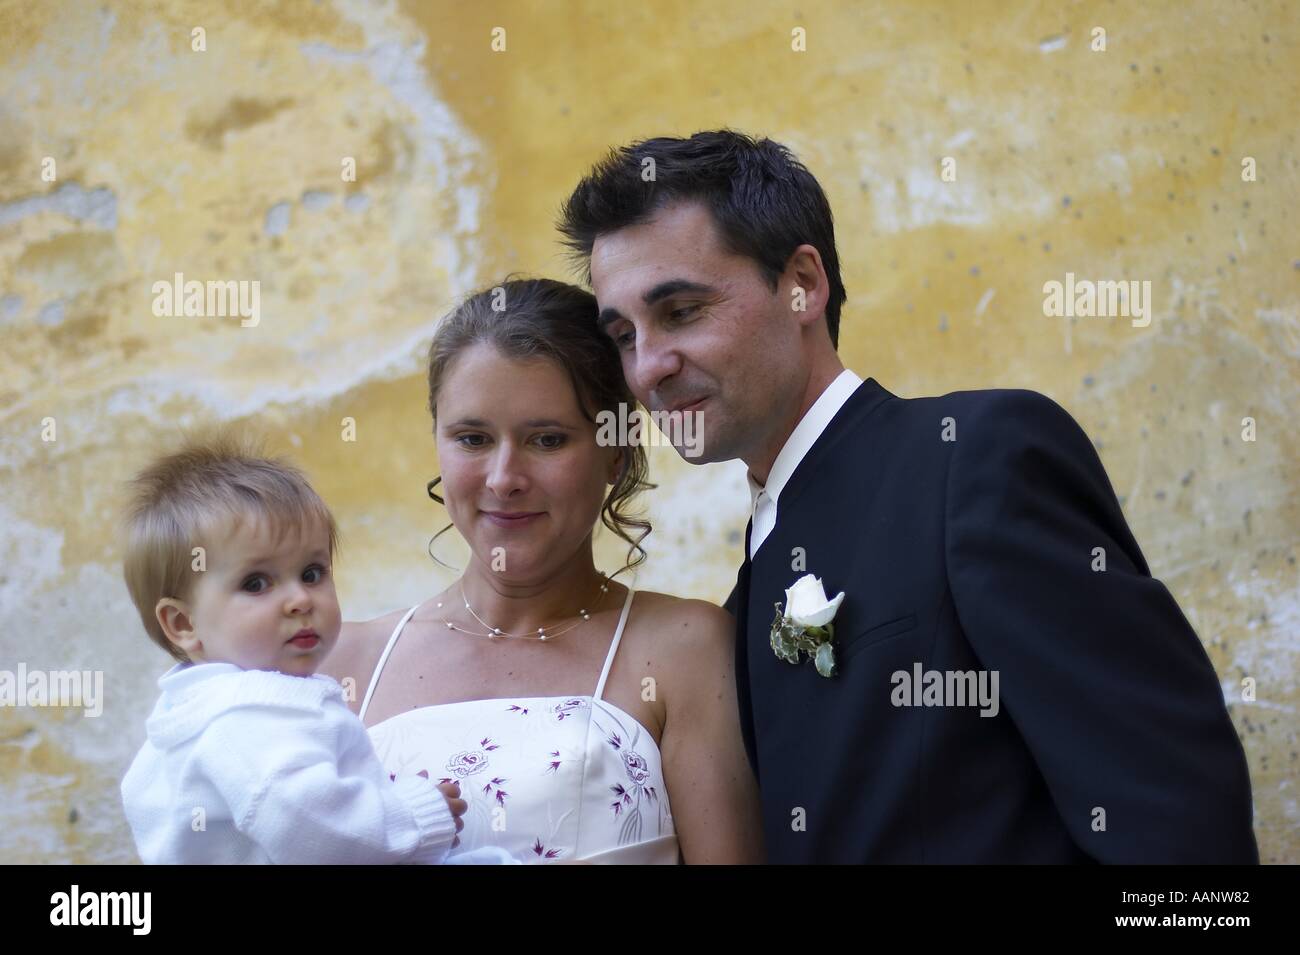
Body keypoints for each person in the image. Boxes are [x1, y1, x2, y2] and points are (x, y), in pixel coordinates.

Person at [558, 129, 1259, 863]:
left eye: (680, 312)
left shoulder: (976, 458)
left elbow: (1178, 822)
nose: (649, 368)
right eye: (624, 335)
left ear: (803, 283)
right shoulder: (733, 612)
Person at [321, 278, 764, 864]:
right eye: (472, 438)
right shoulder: (341, 662)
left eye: (547, 439)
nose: (504, 478)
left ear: (617, 452)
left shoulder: (684, 650)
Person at [118, 434, 515, 864]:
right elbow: (313, 831)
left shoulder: (201, 712)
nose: (300, 599)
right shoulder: (244, 718)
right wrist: (415, 813)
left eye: (311, 573)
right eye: (256, 583)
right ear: (184, 624)